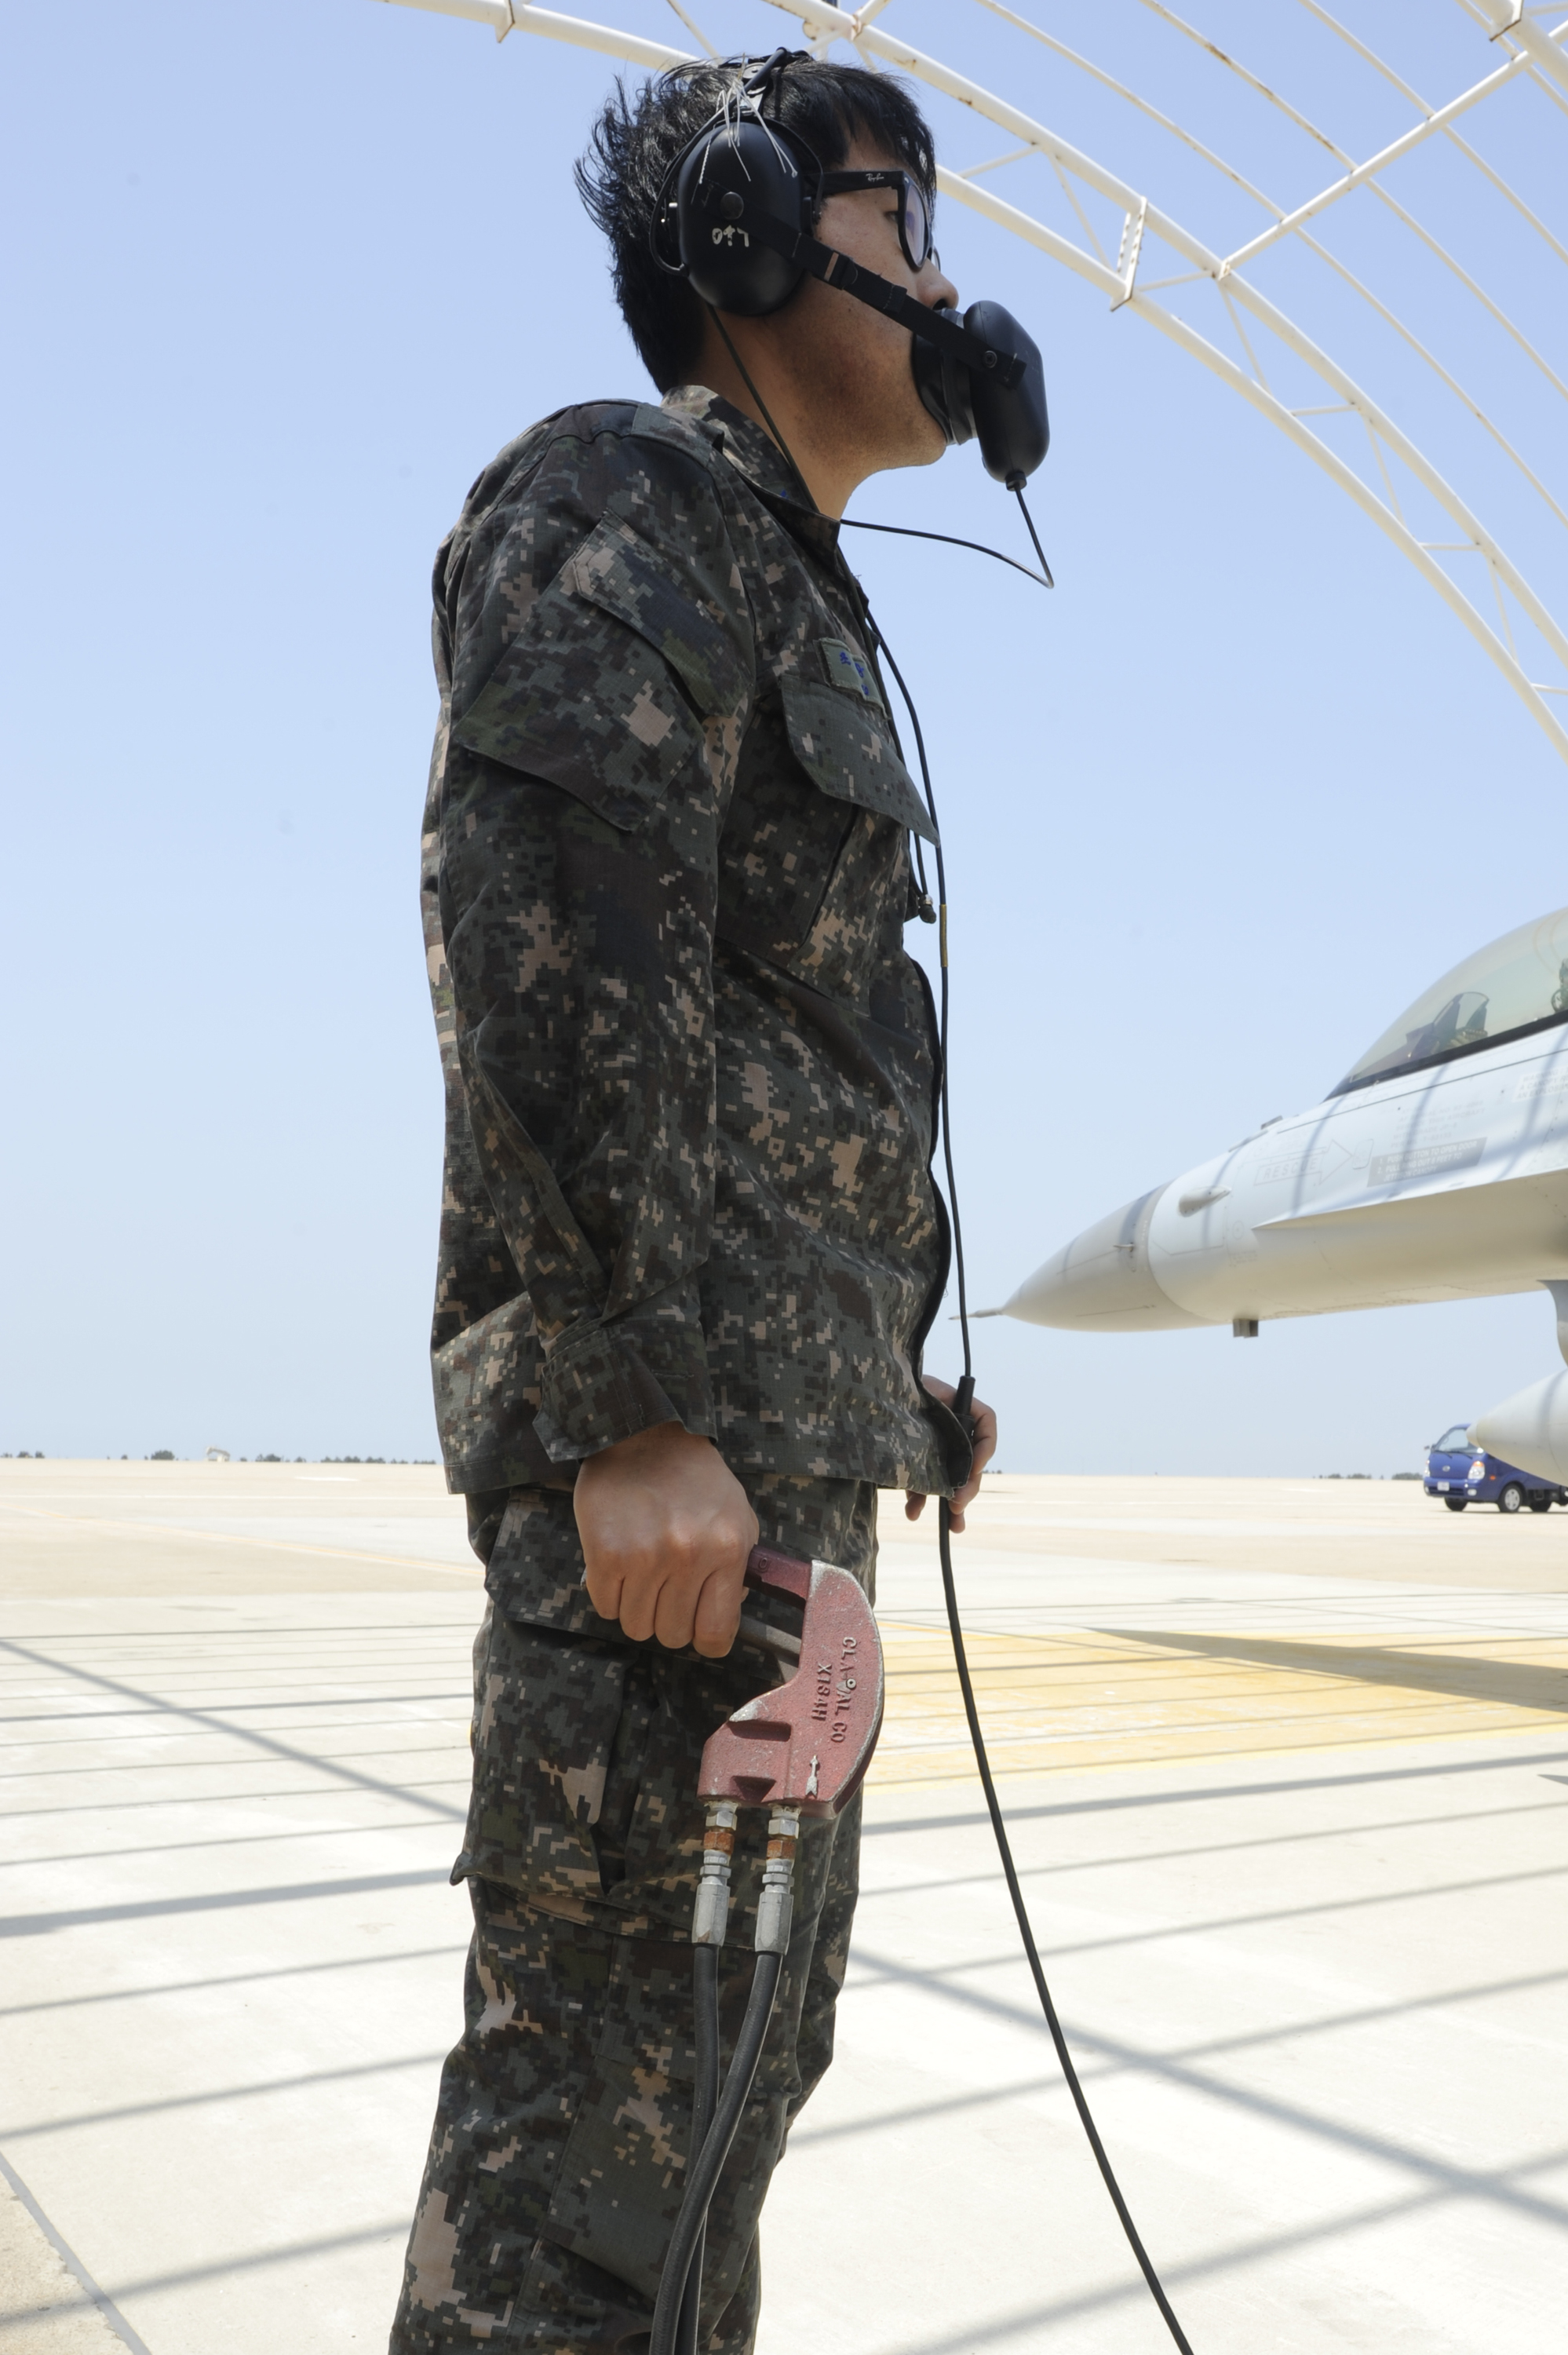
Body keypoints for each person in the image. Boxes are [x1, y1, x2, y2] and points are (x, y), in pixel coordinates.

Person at [389, 52, 997, 2353]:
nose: (945, 280)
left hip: (777, 1516)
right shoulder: (624, 496)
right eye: (900, 217)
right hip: (673, 1530)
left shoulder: (788, 582)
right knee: (589, 2197)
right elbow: (550, 911)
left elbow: (772, 1045)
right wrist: (626, 1404)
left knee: (716, 2128)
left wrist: (896, 1393)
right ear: (745, 237)